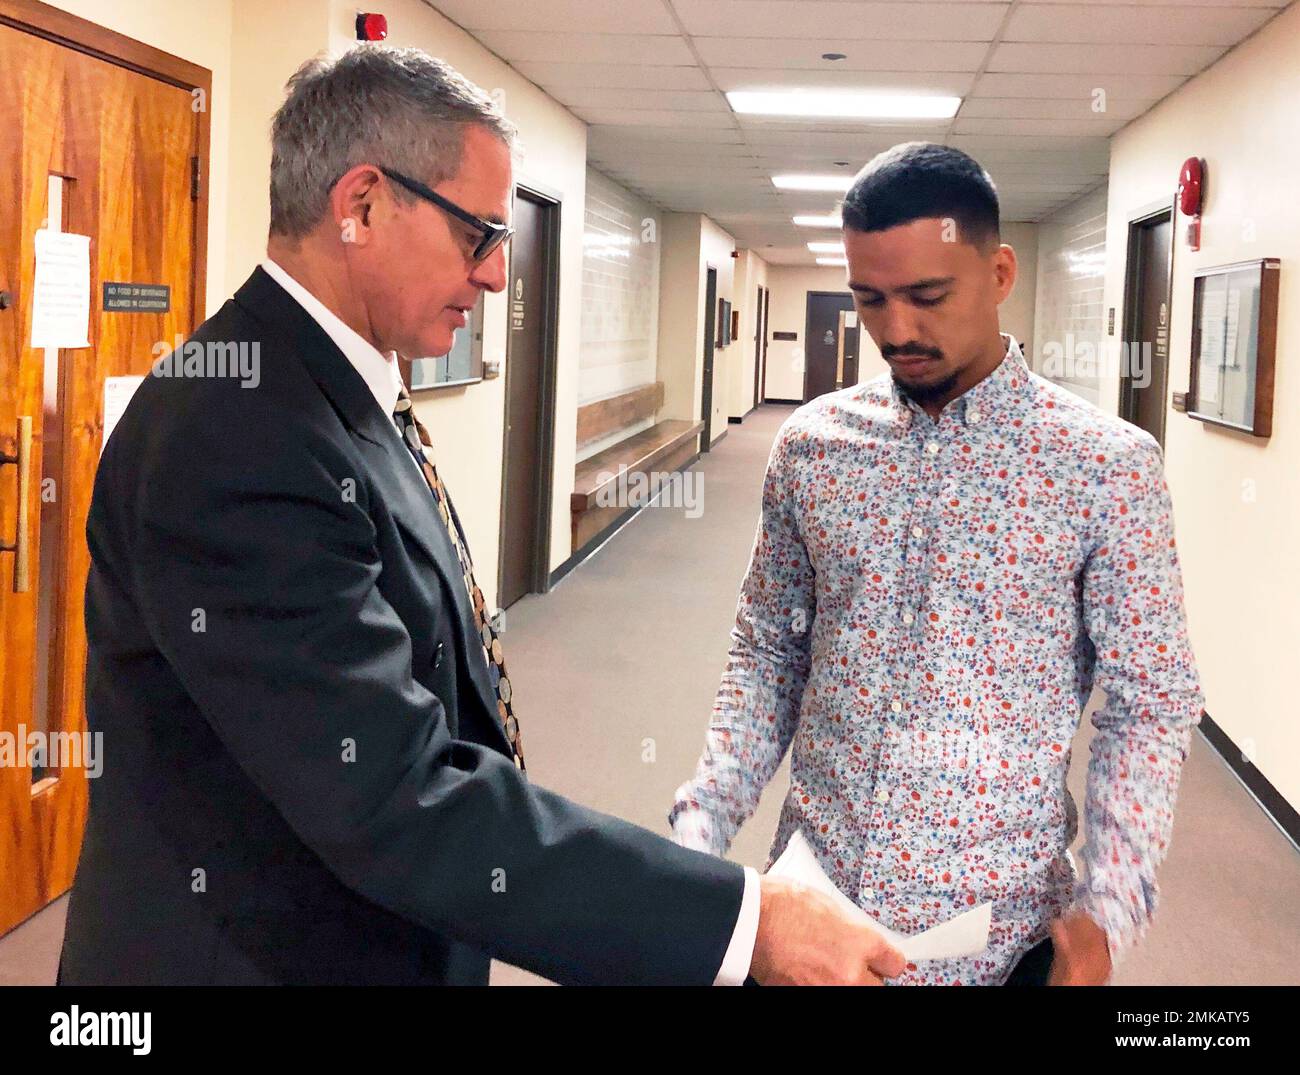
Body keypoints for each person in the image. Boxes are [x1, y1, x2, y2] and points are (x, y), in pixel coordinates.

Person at [56, 46, 906, 987]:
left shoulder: (335, 385)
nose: (498, 276)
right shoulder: (238, 431)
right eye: (478, 235)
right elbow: (393, 790)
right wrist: (744, 921)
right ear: (364, 205)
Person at [671, 141, 1205, 986]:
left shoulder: (1105, 466)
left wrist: (1110, 908)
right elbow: (768, 653)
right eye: (870, 298)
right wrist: (696, 835)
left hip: (994, 938)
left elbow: (1150, 702)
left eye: (927, 295)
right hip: (809, 921)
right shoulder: (812, 449)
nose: (896, 329)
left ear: (998, 274)